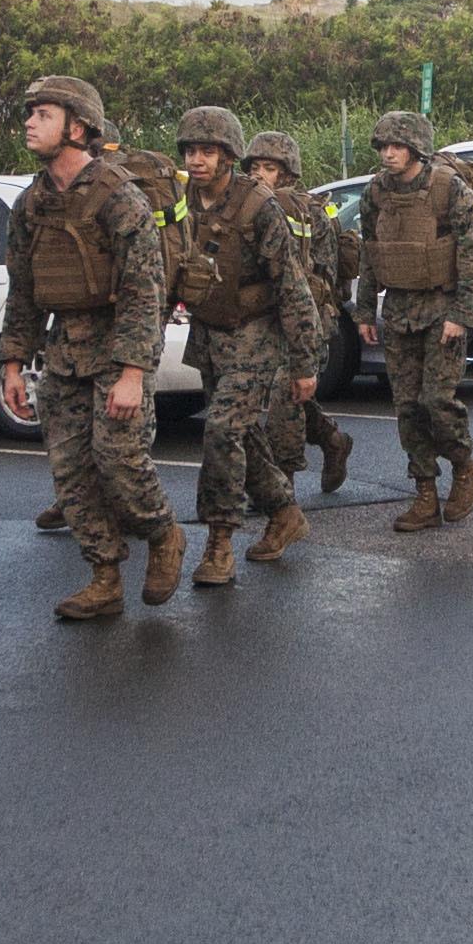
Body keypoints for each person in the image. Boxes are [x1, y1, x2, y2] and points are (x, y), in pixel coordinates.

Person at [0, 74, 181, 618]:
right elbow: (24, 291)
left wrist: (130, 373)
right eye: (29, 113)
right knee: (71, 471)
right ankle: (104, 576)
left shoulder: (117, 198)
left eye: (44, 114)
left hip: (115, 348)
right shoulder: (31, 203)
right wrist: (13, 363)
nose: (30, 122)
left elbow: (144, 293)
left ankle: (164, 534)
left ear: (76, 128)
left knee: (120, 461)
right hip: (63, 353)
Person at [163, 107, 320, 587]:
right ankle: (283, 510)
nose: (198, 160)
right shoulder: (181, 200)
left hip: (256, 335)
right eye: (191, 151)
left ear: (229, 156)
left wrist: (303, 362)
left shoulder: (259, 206)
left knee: (221, 431)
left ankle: (219, 541)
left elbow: (293, 286)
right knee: (242, 434)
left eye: (208, 151)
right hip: (210, 334)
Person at [354, 111, 473, 529]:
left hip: (441, 310)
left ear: (416, 149)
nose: (388, 154)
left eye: (397, 146)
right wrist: (363, 310)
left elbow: (472, 254)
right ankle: (425, 493)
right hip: (397, 311)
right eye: (383, 146)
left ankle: (464, 467)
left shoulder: (449, 189)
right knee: (408, 408)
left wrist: (463, 315)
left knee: (437, 401)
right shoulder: (375, 192)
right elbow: (370, 250)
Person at [245, 129, 356, 507]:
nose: (260, 174)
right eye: (255, 167)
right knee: (293, 398)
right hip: (261, 320)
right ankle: (331, 439)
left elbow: (314, 273)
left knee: (284, 397)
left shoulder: (309, 212)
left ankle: (283, 486)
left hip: (306, 319)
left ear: (288, 173)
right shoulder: (248, 207)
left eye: (270, 168)